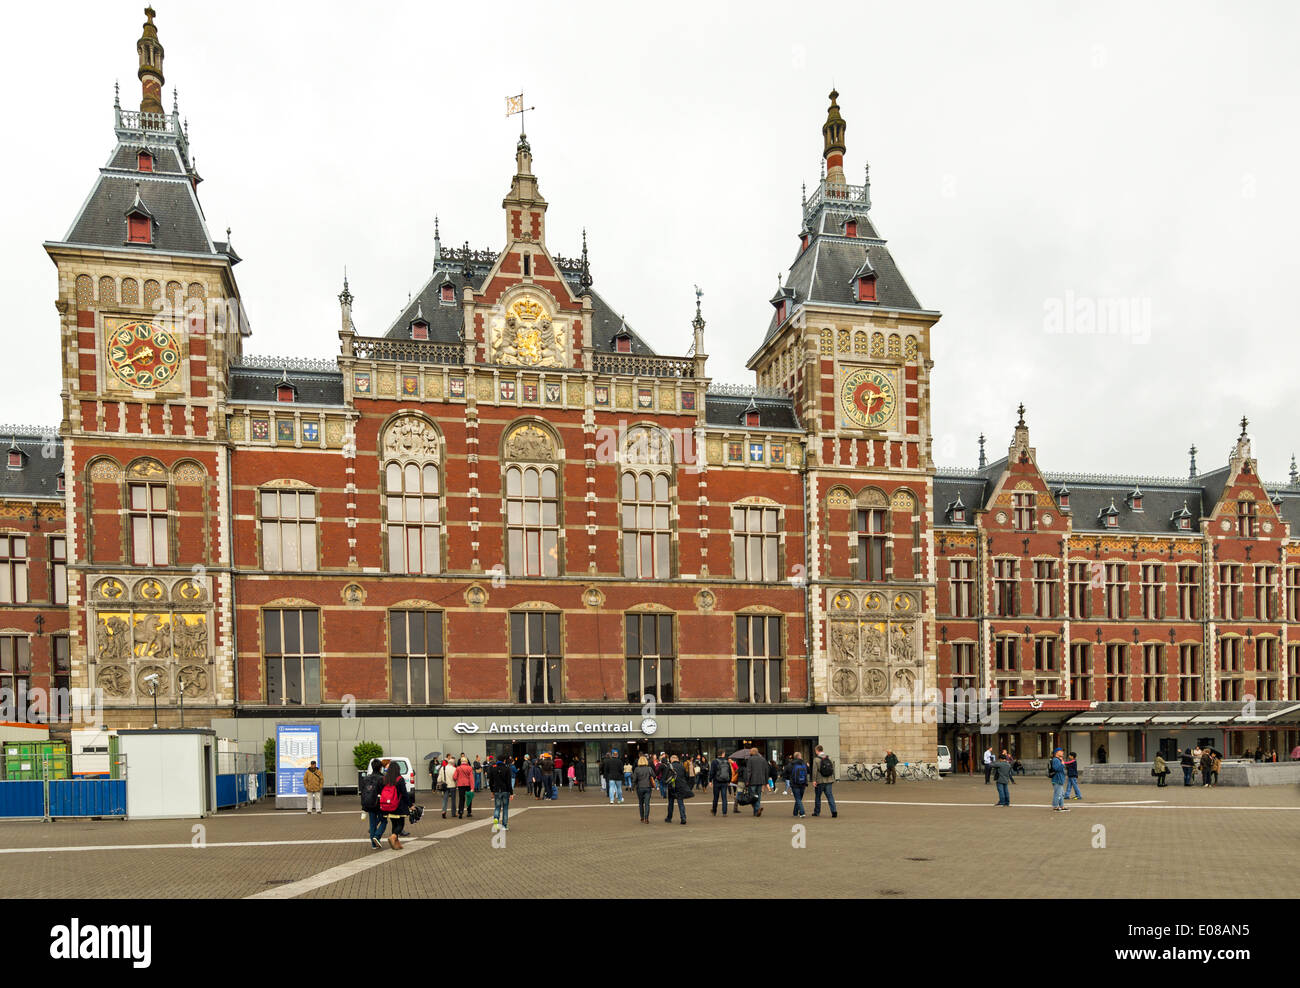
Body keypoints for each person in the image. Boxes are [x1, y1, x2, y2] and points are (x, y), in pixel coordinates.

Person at [381, 760, 411, 849]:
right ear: (398, 769)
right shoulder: (400, 779)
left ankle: (396, 844)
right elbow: (405, 794)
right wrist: (410, 804)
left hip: (389, 805)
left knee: (394, 824)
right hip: (399, 805)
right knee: (401, 825)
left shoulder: (385, 779)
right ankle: (393, 837)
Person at [361, 757, 387, 848]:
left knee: (372, 824)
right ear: (380, 768)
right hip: (380, 803)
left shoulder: (366, 779)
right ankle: (377, 836)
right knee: (384, 821)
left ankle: (373, 844)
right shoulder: (382, 778)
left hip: (369, 803)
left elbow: (363, 793)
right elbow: (385, 792)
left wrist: (363, 807)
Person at [488, 753, 513, 832]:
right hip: (505, 790)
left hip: (496, 790)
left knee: (497, 807)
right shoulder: (507, 769)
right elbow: (509, 782)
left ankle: (496, 820)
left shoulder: (493, 768)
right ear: (504, 760)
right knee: (505, 808)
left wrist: (492, 790)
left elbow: (491, 781)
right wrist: (511, 793)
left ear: (497, 760)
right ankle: (504, 825)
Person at [811, 744, 837, 818]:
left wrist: (814, 780)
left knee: (818, 797)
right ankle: (834, 811)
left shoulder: (816, 759)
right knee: (830, 796)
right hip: (829, 780)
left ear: (817, 750)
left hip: (820, 781)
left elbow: (814, 771)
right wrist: (833, 778)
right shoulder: (830, 758)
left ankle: (817, 812)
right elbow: (833, 769)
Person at [664, 754, 690, 825]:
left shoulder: (669, 766)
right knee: (680, 803)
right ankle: (683, 818)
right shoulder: (682, 766)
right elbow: (686, 776)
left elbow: (665, 776)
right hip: (680, 787)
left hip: (672, 787)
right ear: (677, 759)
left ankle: (669, 818)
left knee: (671, 803)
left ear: (671, 759)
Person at [744, 747, 767, 817]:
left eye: (750, 751)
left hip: (752, 781)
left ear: (753, 752)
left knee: (753, 797)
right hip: (760, 780)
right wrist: (765, 781)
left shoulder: (750, 759)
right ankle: (756, 811)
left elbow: (748, 771)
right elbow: (766, 770)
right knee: (758, 796)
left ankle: (757, 809)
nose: (749, 752)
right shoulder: (763, 759)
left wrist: (747, 781)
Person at [633, 755, 655, 823]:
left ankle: (642, 817)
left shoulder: (637, 769)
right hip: (648, 787)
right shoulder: (649, 768)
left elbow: (634, 779)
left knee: (641, 803)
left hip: (640, 787)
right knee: (647, 804)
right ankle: (646, 818)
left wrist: (632, 787)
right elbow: (654, 776)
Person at [709, 748, 731, 816]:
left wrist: (710, 780)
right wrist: (729, 781)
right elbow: (730, 772)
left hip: (716, 781)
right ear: (723, 754)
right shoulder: (727, 762)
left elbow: (712, 772)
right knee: (724, 797)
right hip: (724, 782)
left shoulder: (714, 762)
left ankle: (714, 811)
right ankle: (724, 812)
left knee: (716, 797)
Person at [788, 752, 809, 818]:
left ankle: (802, 812)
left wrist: (789, 778)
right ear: (800, 756)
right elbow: (808, 771)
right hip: (803, 783)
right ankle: (795, 812)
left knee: (798, 798)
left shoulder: (791, 764)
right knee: (799, 798)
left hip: (794, 784)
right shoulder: (804, 764)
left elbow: (785, 772)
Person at [1049, 747, 1069, 812]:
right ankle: (1055, 806)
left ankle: (1061, 806)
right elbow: (1056, 768)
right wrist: (1062, 764)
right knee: (1058, 793)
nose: (1062, 752)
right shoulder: (1055, 760)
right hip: (1057, 779)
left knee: (1061, 793)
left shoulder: (1059, 759)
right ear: (1056, 753)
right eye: (1061, 751)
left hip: (1060, 779)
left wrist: (1062, 762)